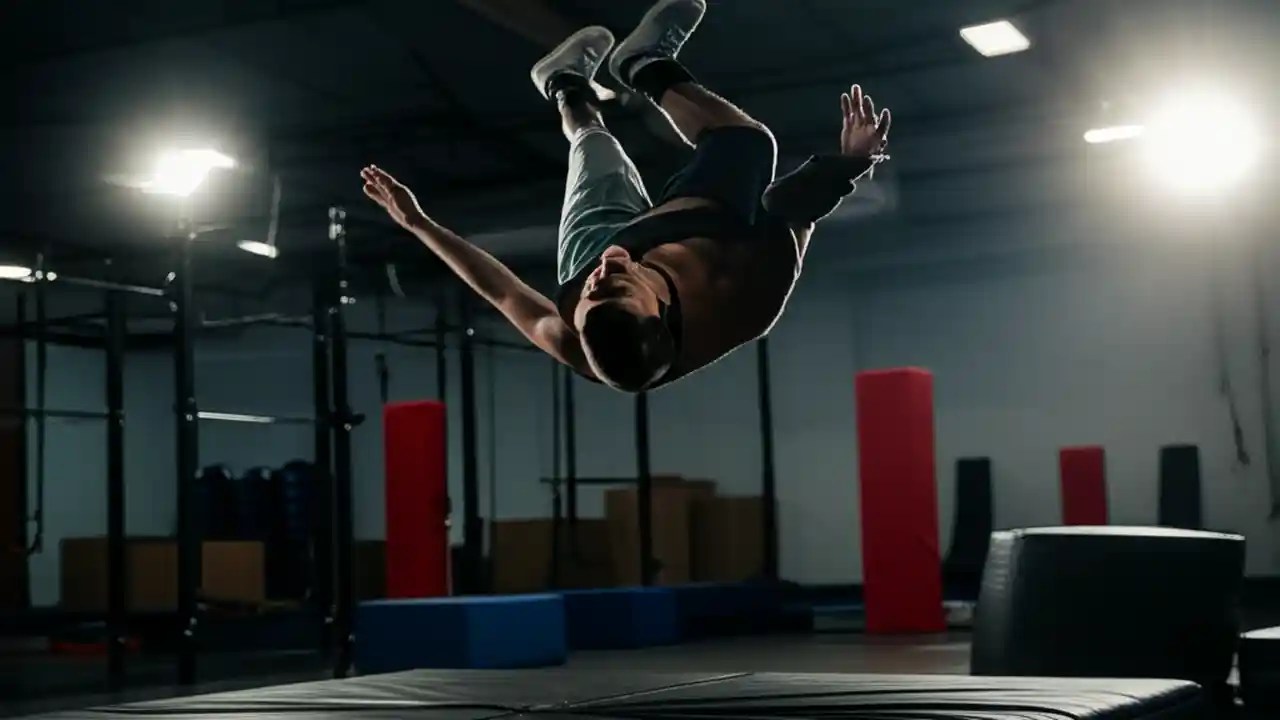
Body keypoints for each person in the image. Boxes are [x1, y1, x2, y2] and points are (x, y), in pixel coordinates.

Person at [360, 0, 891, 392]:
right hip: (708, 232)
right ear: (660, 307)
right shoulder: (742, 300)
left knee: (593, 142)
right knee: (751, 145)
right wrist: (850, 164)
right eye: (618, 285)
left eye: (595, 294)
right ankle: (645, 63)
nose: (604, 274)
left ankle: (564, 83)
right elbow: (791, 212)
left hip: (601, 234)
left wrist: (419, 224)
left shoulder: (575, 336)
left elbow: (502, 293)